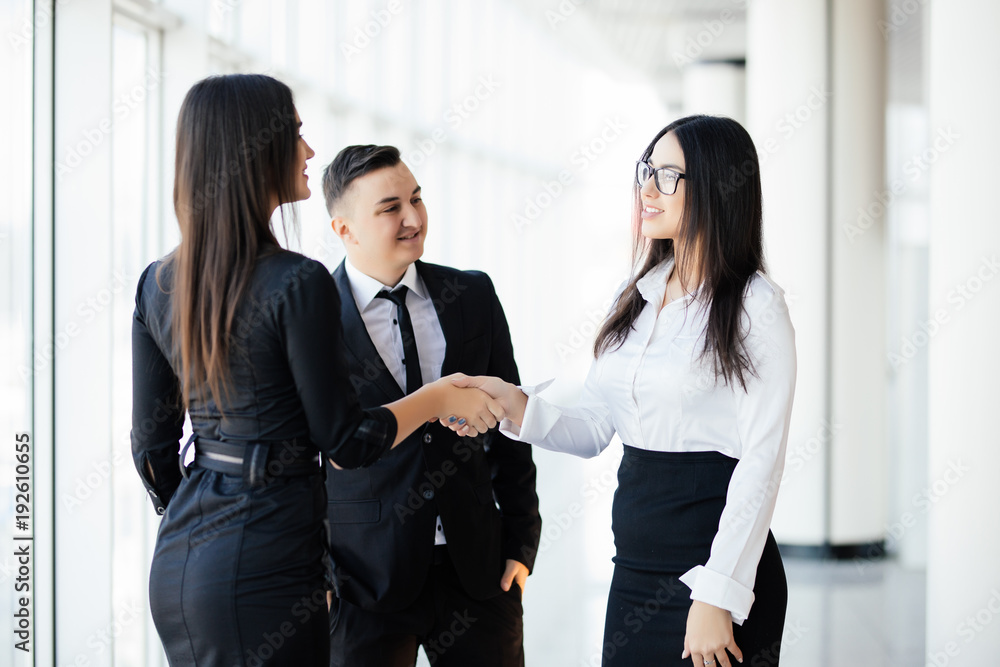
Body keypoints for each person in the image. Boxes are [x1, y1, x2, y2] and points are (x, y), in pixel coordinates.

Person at [130, 75, 501, 666]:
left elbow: (152, 449)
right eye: (296, 134)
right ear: (255, 149)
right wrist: (436, 398)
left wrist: (205, 522)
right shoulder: (296, 281)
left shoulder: (159, 280)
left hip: (183, 559)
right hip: (266, 562)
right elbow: (348, 441)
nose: (307, 152)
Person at [448, 115, 796, 667]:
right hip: (636, 564)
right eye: (645, 172)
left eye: (667, 176)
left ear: (715, 184)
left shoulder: (755, 304)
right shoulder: (637, 294)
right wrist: (511, 403)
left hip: (713, 565)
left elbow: (762, 460)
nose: (647, 189)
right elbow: (596, 425)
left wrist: (717, 592)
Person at [319, 144, 541, 667]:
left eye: (416, 199)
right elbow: (307, 456)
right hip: (362, 582)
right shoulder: (314, 318)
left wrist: (521, 543)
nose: (413, 218)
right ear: (344, 229)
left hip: (479, 571)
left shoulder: (472, 295)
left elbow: (510, 425)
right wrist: (317, 578)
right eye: (389, 207)